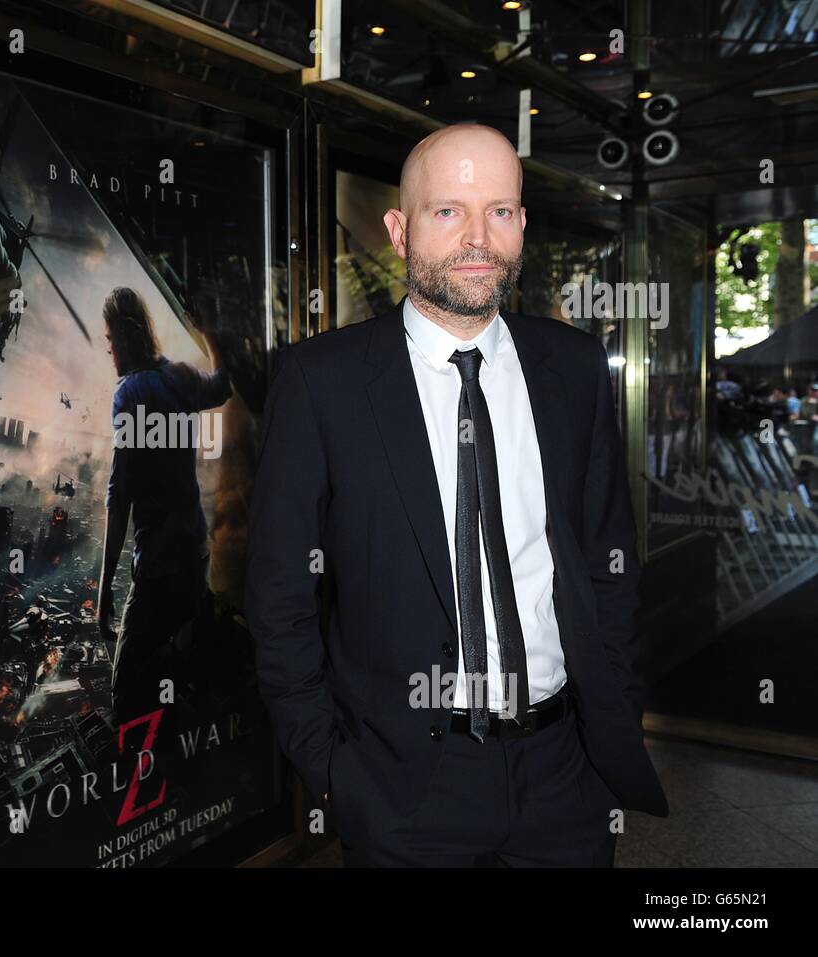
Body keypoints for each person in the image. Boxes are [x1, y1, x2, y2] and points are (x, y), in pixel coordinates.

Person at [246, 124, 668, 867]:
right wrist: (334, 770)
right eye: (449, 212)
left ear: (522, 224)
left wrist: (613, 712)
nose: (479, 237)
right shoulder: (323, 382)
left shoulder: (571, 370)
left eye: (500, 210)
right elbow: (279, 595)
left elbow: (609, 565)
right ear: (400, 230)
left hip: (564, 776)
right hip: (405, 788)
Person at [96, 287, 231, 733]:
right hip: (195, 555)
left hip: (157, 569)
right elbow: (222, 385)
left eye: (111, 338)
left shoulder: (129, 394)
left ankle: (153, 774)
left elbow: (119, 498)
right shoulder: (180, 376)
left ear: (123, 335)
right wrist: (210, 334)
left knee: (127, 694)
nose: (108, 348)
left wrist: (102, 595)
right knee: (180, 668)